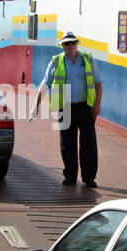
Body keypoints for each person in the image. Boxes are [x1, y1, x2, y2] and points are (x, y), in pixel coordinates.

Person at [31, 31, 103, 187]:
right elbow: (45, 84)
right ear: (62, 46)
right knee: (67, 145)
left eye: (73, 43)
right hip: (65, 109)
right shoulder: (56, 62)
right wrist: (35, 106)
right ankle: (70, 176)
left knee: (88, 144)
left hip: (86, 108)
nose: (70, 46)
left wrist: (97, 105)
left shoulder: (87, 60)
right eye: (67, 43)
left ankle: (89, 178)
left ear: (77, 44)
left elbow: (98, 83)